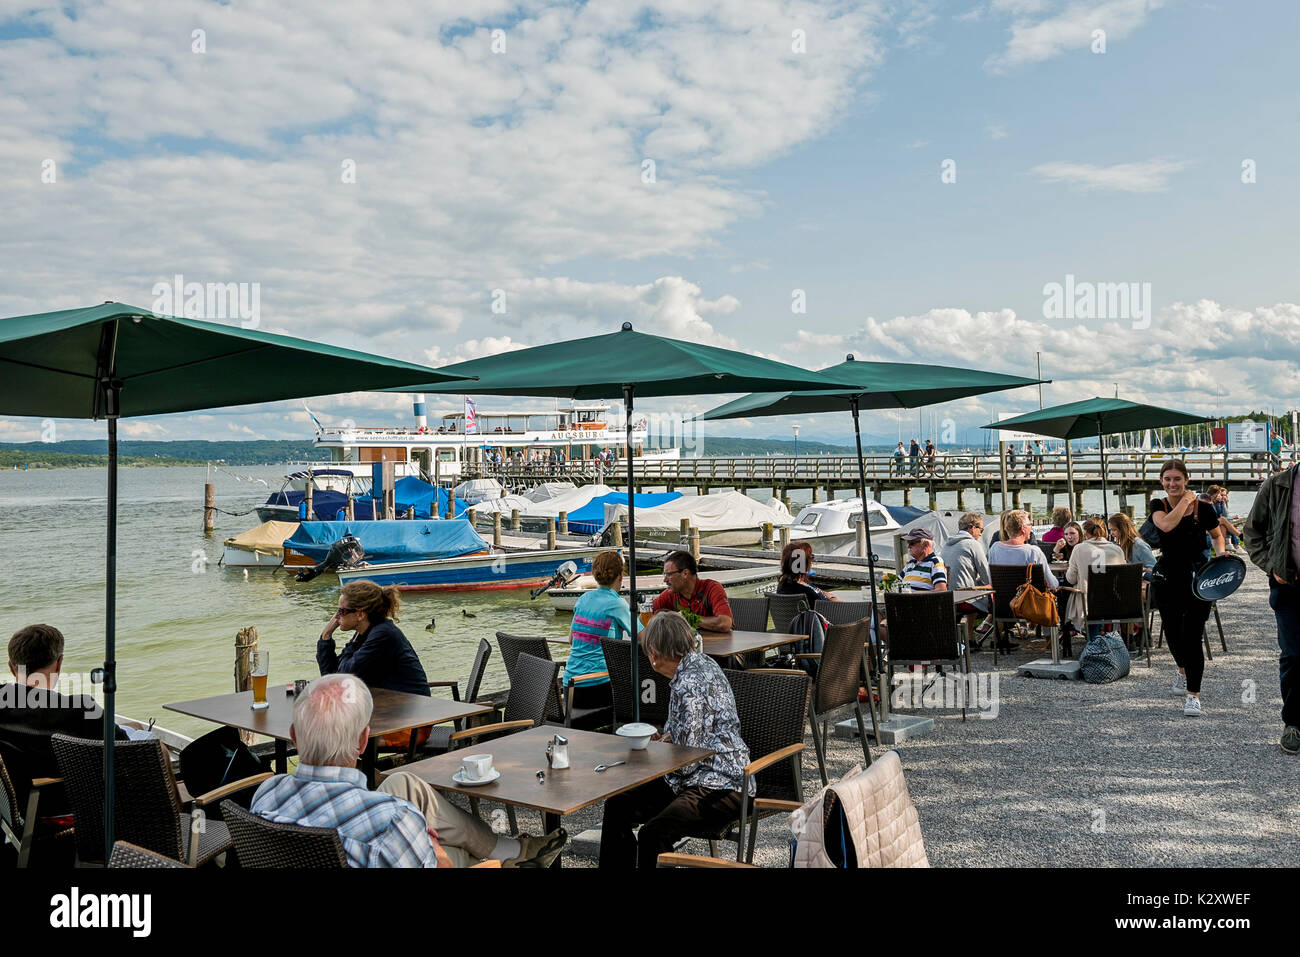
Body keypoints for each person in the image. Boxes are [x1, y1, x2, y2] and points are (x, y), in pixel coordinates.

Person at [250, 674, 565, 867]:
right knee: (465, 855)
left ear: (293, 736)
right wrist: (432, 847)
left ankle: (511, 850)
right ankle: (511, 857)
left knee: (403, 782)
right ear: (363, 741)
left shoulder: (265, 794)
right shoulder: (392, 819)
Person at [599, 613, 752, 869]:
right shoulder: (699, 663)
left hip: (721, 786)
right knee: (618, 805)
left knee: (653, 833)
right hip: (706, 776)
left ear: (653, 652)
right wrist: (668, 738)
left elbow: (687, 761)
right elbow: (694, 734)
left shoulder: (688, 684)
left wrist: (653, 755)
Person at [1, 624, 131, 827]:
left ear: (11, 666)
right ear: (59, 663)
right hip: (74, 811)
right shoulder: (82, 709)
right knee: (157, 749)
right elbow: (128, 751)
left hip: (19, 810)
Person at [1149, 459, 1225, 717]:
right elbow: (1166, 525)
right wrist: (1184, 501)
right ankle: (1182, 670)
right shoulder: (1157, 505)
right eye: (1167, 479)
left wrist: (1221, 557)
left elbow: (1217, 536)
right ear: (1162, 481)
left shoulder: (1204, 509)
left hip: (1197, 578)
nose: (1172, 484)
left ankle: (1194, 694)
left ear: (1186, 479)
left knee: (1192, 635)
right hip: (1168, 577)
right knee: (1171, 631)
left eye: (1177, 479)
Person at [1242, 462, 1300, 753]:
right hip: (1289, 586)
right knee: (1293, 655)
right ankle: (1293, 724)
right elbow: (1251, 533)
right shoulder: (1277, 485)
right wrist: (1272, 567)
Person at [318, 580, 430, 696]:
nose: (336, 617)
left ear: (360, 615)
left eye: (341, 611)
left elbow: (344, 677)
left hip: (411, 706)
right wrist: (326, 635)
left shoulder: (383, 635)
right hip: (390, 702)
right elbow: (331, 678)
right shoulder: (366, 633)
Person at [563, 551, 628, 710]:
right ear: (620, 576)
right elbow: (643, 637)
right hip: (596, 688)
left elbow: (571, 639)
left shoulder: (583, 599)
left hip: (569, 688)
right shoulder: (617, 603)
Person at [1064, 517, 1125, 638]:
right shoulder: (1117, 550)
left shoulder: (1079, 549)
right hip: (1114, 602)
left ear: (1086, 533)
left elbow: (1071, 579)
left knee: (1072, 591)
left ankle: (1091, 640)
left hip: (1088, 602)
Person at [652, 550, 733, 632]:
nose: (665, 580)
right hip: (690, 643)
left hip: (722, 644)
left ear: (685, 574)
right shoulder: (671, 593)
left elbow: (724, 623)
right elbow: (642, 619)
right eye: (664, 574)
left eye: (669, 574)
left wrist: (689, 618)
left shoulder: (712, 588)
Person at [940, 512, 992, 624]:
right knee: (996, 597)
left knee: (974, 584)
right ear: (973, 528)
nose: (981, 534)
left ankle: (970, 637)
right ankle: (998, 636)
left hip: (946, 596)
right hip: (964, 598)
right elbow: (987, 576)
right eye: (981, 530)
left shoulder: (947, 544)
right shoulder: (972, 544)